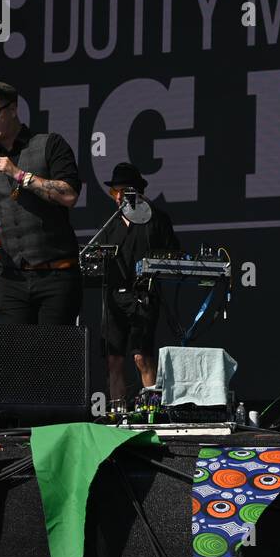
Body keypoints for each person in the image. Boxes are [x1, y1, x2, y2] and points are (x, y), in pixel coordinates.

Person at [0, 81, 83, 325]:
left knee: (53, 357)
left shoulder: (50, 144)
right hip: (12, 279)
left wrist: (19, 174)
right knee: (12, 359)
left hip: (56, 275)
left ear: (13, 109)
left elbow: (69, 195)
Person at [99, 162, 180, 404]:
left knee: (141, 356)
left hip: (144, 295)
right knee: (114, 358)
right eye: (115, 192)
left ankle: (150, 409)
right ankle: (117, 411)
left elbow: (173, 253)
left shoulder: (156, 219)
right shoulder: (110, 224)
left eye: (124, 191)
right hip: (114, 297)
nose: (118, 197)